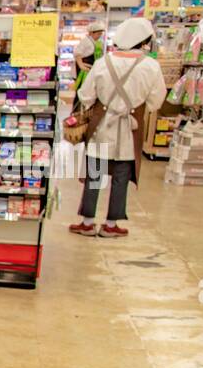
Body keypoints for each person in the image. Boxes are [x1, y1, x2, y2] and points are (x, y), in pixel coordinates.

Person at [70, 17, 165, 238]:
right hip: (130, 128)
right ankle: (111, 225)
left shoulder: (104, 62)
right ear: (144, 41)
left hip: (102, 124)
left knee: (94, 174)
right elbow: (155, 101)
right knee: (122, 175)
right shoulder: (150, 66)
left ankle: (87, 222)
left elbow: (85, 95)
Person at [73, 20, 104, 92]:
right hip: (83, 69)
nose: (99, 36)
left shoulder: (97, 42)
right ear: (91, 33)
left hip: (90, 67)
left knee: (89, 89)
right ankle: (78, 103)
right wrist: (81, 66)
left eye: (100, 34)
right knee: (82, 88)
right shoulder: (85, 41)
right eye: (98, 34)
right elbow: (77, 53)